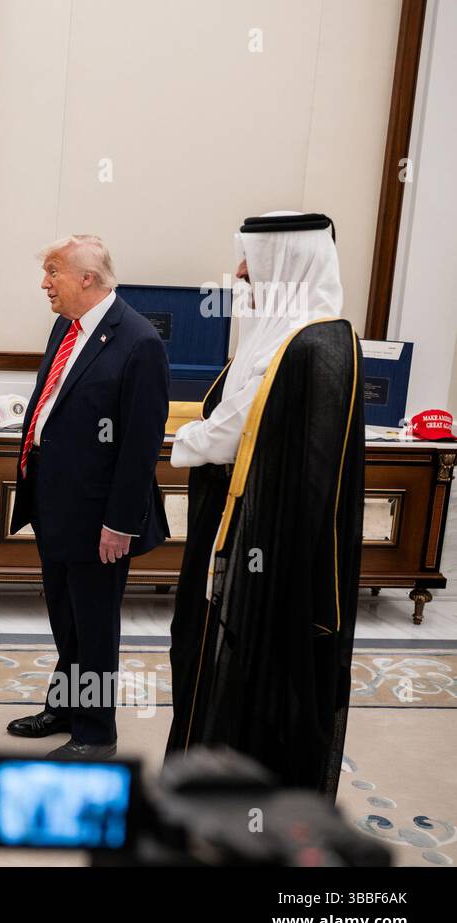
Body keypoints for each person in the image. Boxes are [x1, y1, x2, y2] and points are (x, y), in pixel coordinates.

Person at [165, 212, 364, 797]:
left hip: (260, 539)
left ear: (288, 262)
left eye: (252, 260)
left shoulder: (299, 341)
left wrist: (184, 440)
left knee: (227, 654)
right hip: (267, 533)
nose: (240, 271)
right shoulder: (312, 333)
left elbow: (227, 433)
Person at [5, 235, 170, 757]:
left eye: (53, 272)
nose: (44, 283)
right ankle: (65, 706)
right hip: (56, 506)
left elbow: (141, 445)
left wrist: (121, 523)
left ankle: (96, 734)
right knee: (67, 618)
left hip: (101, 519)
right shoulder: (66, 328)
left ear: (86, 279)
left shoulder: (139, 342)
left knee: (95, 628)